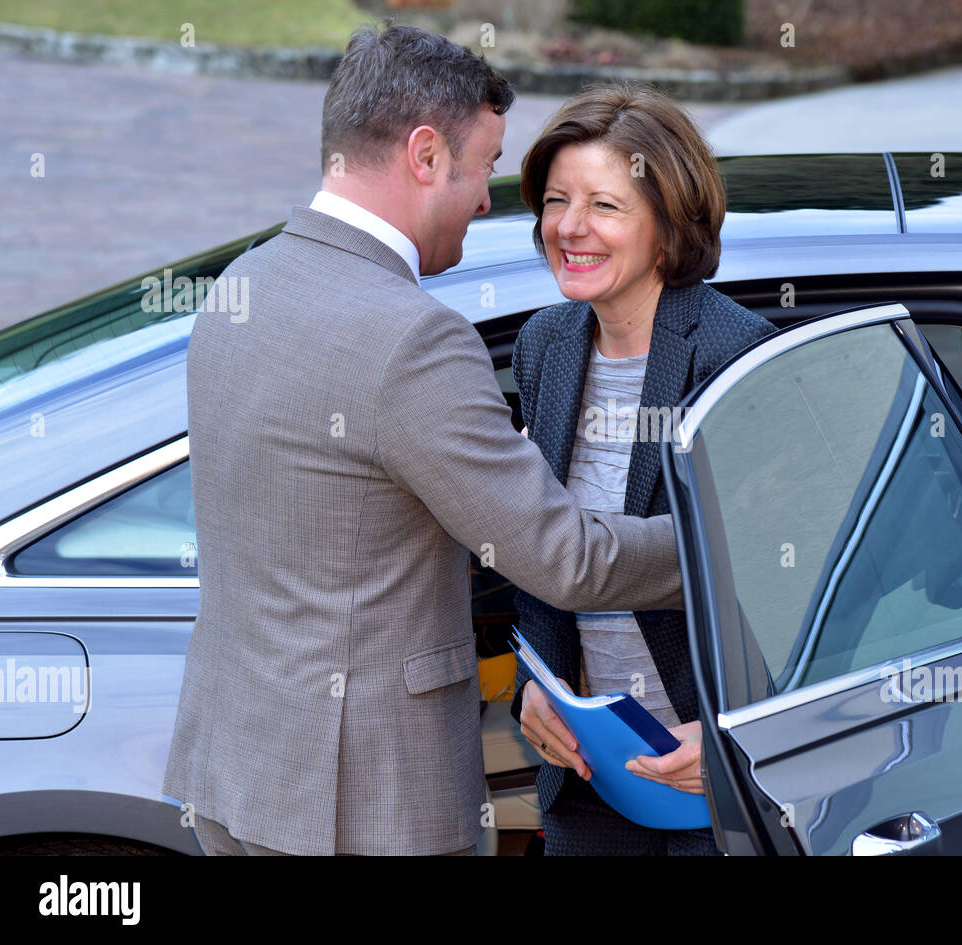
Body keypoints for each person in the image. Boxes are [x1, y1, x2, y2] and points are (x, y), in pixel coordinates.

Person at [162, 28, 684, 857]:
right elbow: (566, 559)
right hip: (364, 805)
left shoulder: (242, 283)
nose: (487, 198)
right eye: (485, 165)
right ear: (426, 154)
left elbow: (337, 510)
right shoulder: (413, 340)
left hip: (238, 774)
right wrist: (725, 549)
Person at [510, 83, 776, 855]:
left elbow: (790, 575)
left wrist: (736, 733)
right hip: (590, 778)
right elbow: (537, 543)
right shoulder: (543, 346)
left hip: (713, 783)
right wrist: (535, 690)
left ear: (667, 228)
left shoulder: (737, 354)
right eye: (557, 201)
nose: (569, 227)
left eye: (604, 205)